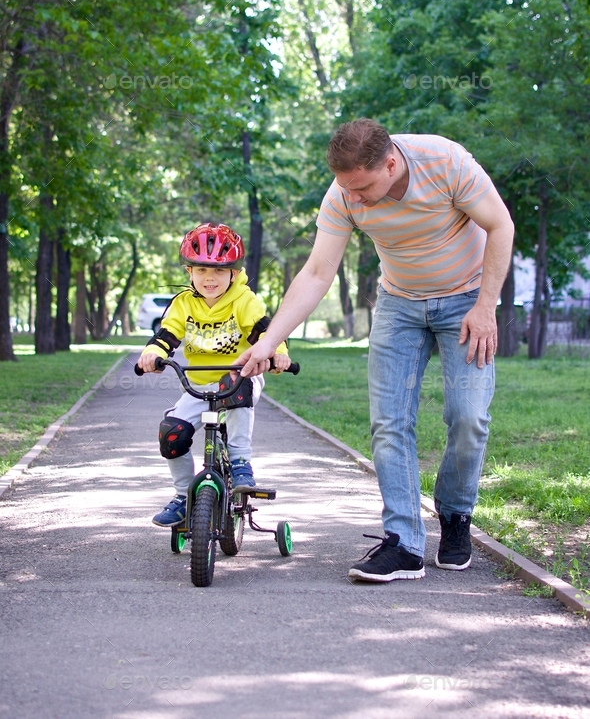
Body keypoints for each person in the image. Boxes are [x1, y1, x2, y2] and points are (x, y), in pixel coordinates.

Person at [237, 118, 514, 582]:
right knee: (389, 422)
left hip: (466, 300)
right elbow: (317, 274)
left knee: (469, 418)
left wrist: (486, 307)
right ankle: (404, 542)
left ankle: (455, 515)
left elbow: (500, 224)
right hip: (399, 305)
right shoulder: (343, 193)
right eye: (348, 189)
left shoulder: (445, 162)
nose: (356, 199)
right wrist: (268, 341)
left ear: (390, 164)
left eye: (363, 188)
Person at [137, 222, 290, 527]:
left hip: (239, 377)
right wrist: (152, 354)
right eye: (201, 270)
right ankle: (183, 497)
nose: (210, 278)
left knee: (237, 383)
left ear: (233, 273)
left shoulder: (244, 300)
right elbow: (167, 335)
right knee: (172, 433)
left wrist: (278, 354)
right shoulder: (183, 303)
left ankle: (240, 462)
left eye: (219, 271)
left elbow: (265, 332)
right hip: (198, 383)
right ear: (188, 272)